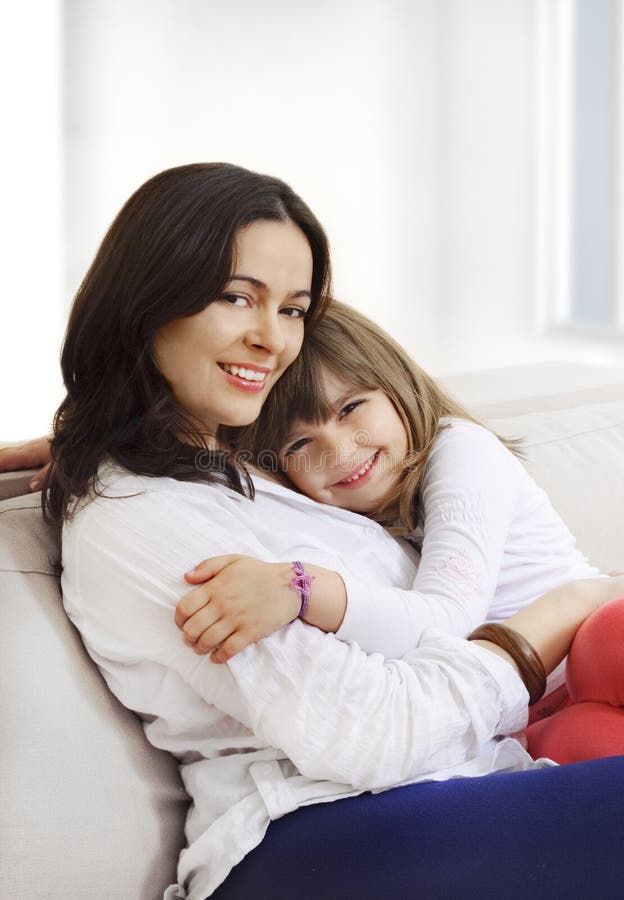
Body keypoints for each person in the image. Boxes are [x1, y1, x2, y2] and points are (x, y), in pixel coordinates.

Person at [1, 162, 623, 900]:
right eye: (238, 298)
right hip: (327, 836)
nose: (272, 339)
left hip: (450, 792)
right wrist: (545, 623)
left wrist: (84, 432)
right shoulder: (140, 516)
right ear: (145, 303)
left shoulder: (233, 458)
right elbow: (374, 733)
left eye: (292, 309)